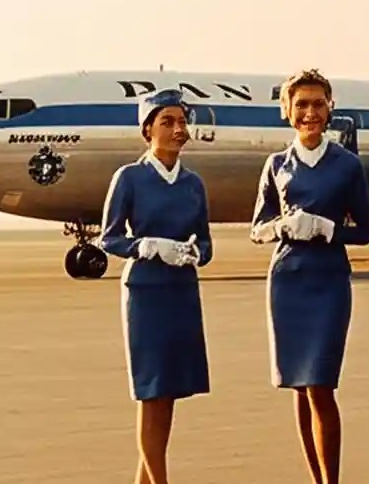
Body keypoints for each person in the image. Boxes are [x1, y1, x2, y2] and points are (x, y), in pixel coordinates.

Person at [249, 69, 369, 484]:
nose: (310, 113)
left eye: (318, 104)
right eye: (301, 104)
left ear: (330, 109)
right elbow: (257, 228)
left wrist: (327, 228)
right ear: (287, 111)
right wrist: (281, 226)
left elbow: (365, 232)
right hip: (287, 281)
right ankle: (317, 479)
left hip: (328, 282)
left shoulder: (347, 165)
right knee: (300, 389)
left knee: (320, 385)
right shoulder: (276, 165)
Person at [98, 88, 215, 484]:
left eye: (182, 121)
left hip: (182, 292)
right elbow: (109, 238)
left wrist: (193, 254)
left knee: (169, 395)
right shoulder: (129, 178)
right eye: (167, 122)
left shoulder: (194, 184)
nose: (177, 129)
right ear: (148, 130)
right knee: (151, 392)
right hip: (146, 293)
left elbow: (207, 243)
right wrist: (144, 246)